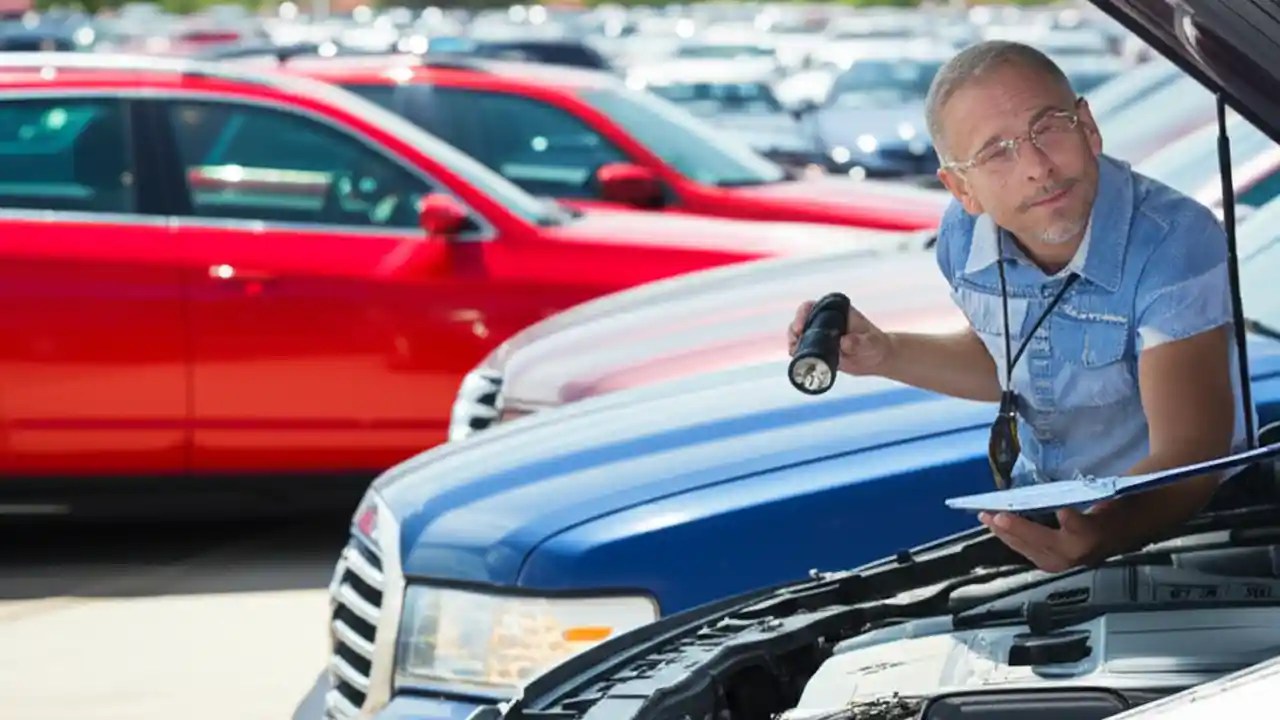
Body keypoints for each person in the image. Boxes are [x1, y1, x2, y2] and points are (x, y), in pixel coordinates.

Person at [788, 41, 1246, 573]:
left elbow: (1192, 454)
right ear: (962, 188)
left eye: (1048, 127)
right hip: (1050, 532)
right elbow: (1015, 366)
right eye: (996, 152)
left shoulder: (1174, 243)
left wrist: (1099, 534)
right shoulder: (963, 239)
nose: (1036, 166)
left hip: (1184, 543)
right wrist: (885, 353)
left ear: (1088, 127)